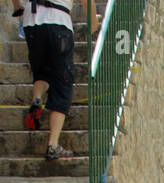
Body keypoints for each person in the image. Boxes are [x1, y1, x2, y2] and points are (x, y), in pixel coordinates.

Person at [11, 0, 100, 160]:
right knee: (62, 84)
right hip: (59, 22)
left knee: (42, 71)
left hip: (32, 22)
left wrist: (18, 7)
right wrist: (93, 24)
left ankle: (37, 98)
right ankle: (52, 145)